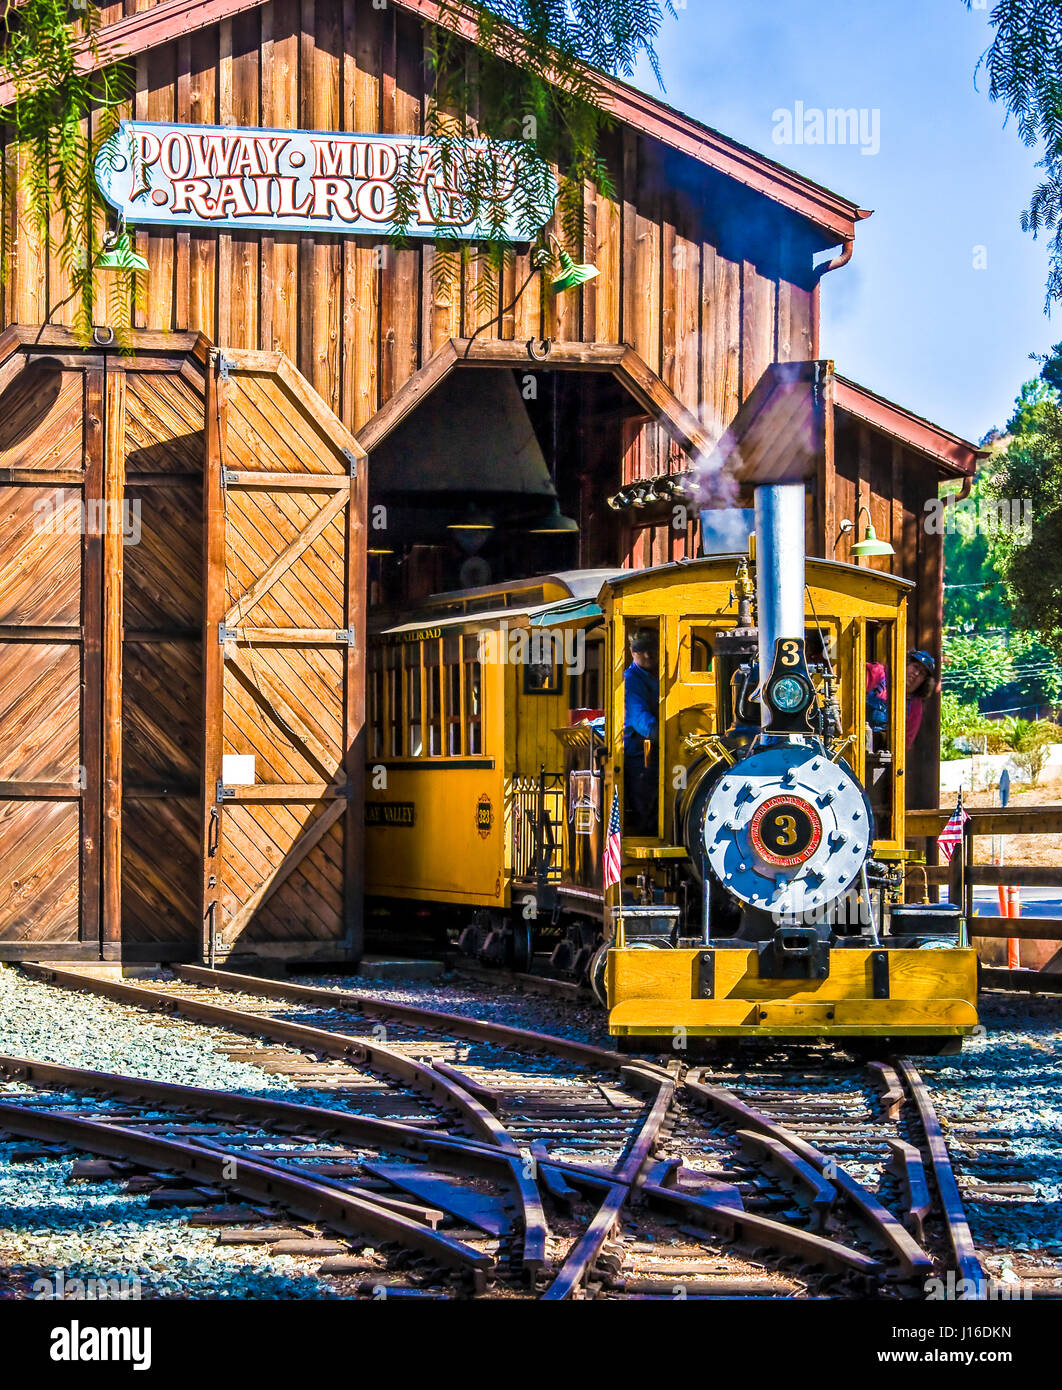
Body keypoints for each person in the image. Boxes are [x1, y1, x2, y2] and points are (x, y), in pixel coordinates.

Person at [624, 628, 659, 834]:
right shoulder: (631, 680)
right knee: (647, 807)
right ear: (631, 651)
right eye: (641, 650)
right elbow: (641, 721)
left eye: (651, 648)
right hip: (637, 755)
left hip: (654, 750)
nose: (647, 654)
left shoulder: (655, 676)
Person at [905, 650, 937, 750]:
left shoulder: (915, 705)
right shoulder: (880, 675)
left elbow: (906, 741)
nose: (916, 673)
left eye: (922, 673)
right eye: (915, 667)